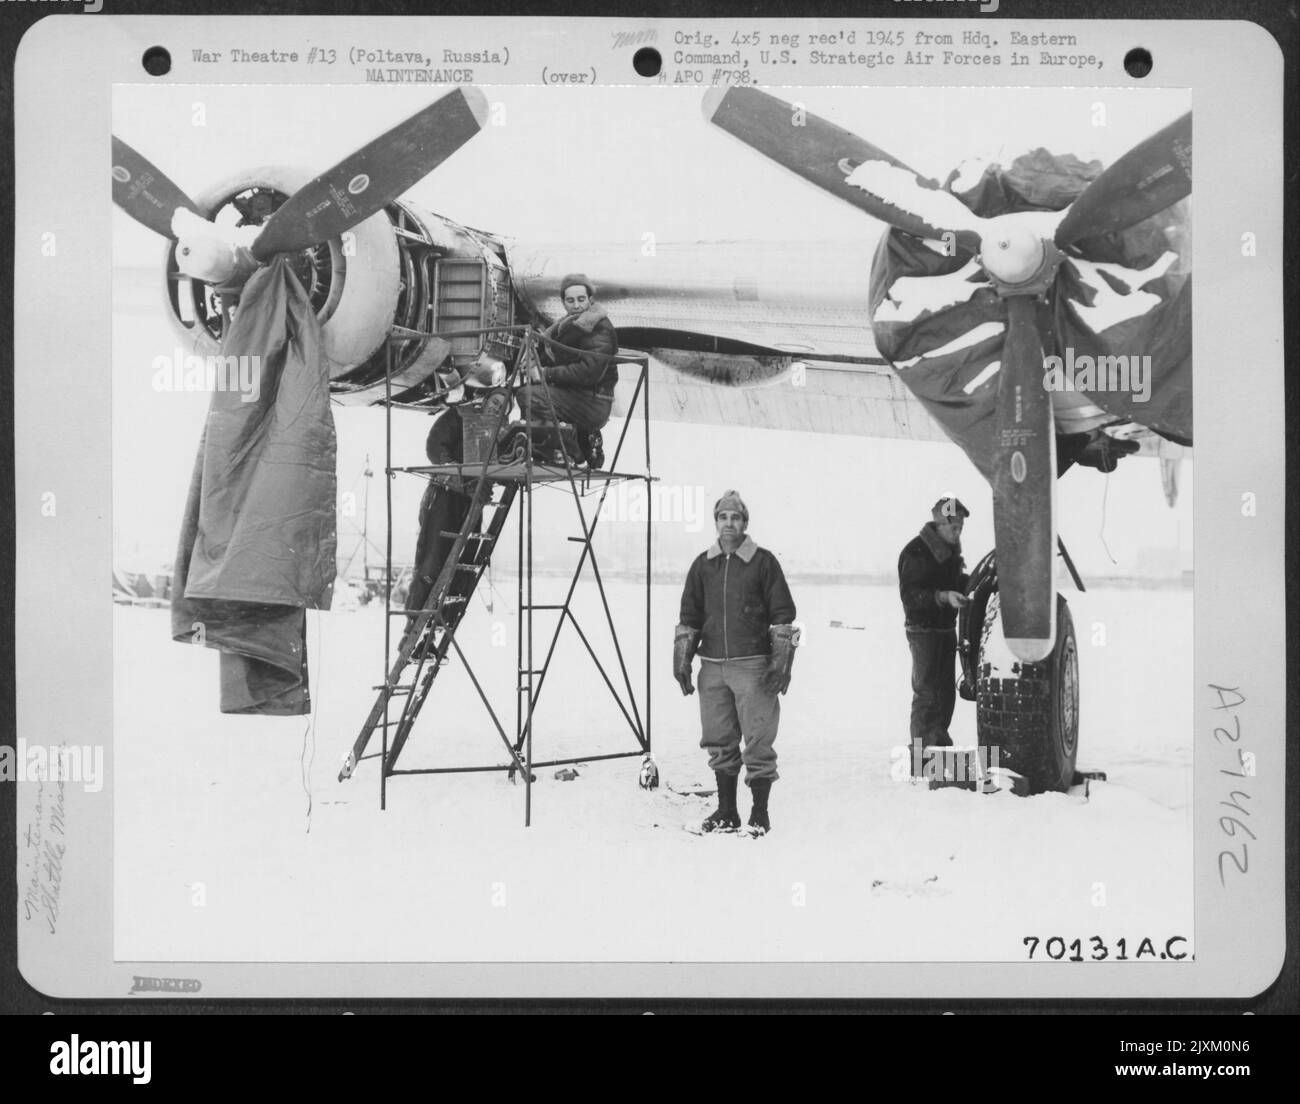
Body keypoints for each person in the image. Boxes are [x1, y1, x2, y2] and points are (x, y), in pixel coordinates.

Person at [674, 491, 798, 835]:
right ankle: (727, 811)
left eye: (736, 517)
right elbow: (689, 614)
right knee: (718, 739)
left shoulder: (763, 562)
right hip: (712, 667)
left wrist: (781, 661)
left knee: (758, 739)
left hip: (752, 666)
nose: (729, 523)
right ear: (716, 522)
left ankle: (760, 815)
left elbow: (783, 614)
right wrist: (682, 658)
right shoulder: (702, 565)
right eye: (723, 517)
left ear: (745, 523)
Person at [898, 496, 971, 767]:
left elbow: (955, 581)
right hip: (923, 631)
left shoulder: (951, 552)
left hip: (944, 629)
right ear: (940, 524)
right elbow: (911, 595)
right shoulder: (915, 552)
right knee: (927, 692)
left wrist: (968, 585)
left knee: (945, 693)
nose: (958, 532)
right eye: (954, 527)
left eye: (961, 527)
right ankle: (921, 755)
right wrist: (942, 597)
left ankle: (938, 744)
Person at [520, 273, 619, 468]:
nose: (576, 305)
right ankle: (573, 443)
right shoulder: (566, 327)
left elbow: (589, 372)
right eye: (570, 300)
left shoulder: (598, 328)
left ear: (590, 300)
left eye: (581, 299)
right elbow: (556, 357)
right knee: (526, 393)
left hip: (594, 401)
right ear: (564, 303)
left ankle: (570, 453)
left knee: (529, 396)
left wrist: (545, 374)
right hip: (578, 396)